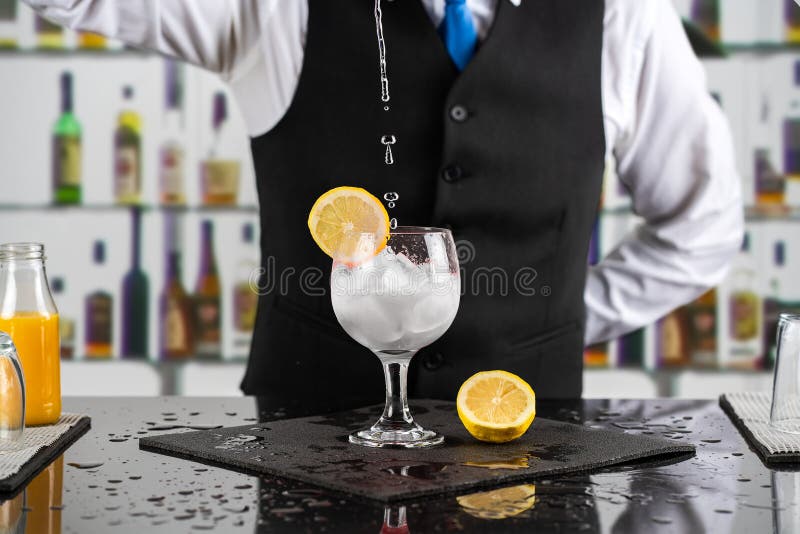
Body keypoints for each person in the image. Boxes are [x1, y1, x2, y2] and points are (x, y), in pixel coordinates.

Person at [24, 0, 743, 412]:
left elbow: (702, 227)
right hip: (309, 446)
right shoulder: (278, 9)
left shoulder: (623, 14)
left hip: (533, 445)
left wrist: (556, 313)